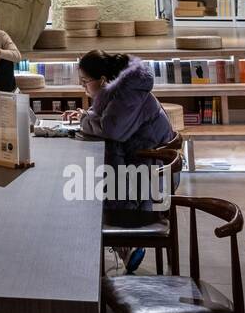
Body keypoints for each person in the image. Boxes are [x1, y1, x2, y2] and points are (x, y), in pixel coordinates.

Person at [63, 50, 175, 273]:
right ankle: (120, 245)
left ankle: (115, 242)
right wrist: (86, 114)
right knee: (90, 181)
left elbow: (112, 129)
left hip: (152, 173)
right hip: (143, 162)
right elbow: (107, 118)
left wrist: (86, 118)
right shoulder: (119, 90)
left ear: (103, 80)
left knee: (88, 188)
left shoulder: (128, 94)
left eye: (85, 82)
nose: (83, 87)